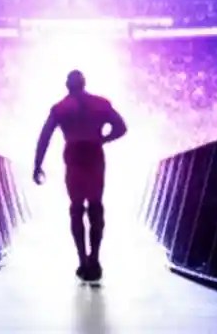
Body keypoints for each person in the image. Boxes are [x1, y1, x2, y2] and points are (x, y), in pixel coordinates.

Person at [32, 69, 128, 282]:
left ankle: (82, 261)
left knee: (76, 208)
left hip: (74, 155)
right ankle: (94, 258)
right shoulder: (101, 104)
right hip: (94, 154)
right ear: (84, 83)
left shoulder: (60, 108)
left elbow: (45, 137)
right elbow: (121, 127)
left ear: (67, 85)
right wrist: (103, 139)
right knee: (96, 206)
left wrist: (37, 165)